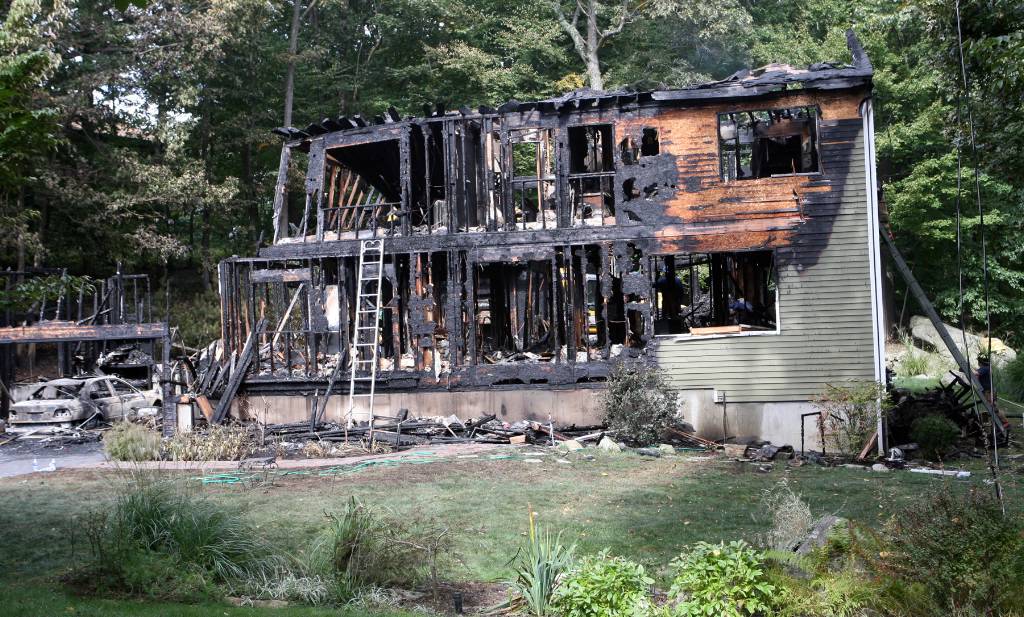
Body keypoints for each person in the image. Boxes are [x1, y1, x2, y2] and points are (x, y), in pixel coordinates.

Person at [976, 352, 1011, 443]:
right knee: (993, 408)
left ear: (981, 362)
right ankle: (1002, 424)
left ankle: (1005, 423)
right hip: (989, 390)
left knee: (994, 409)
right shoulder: (987, 368)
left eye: (978, 361)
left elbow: (976, 374)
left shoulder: (984, 368)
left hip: (988, 391)